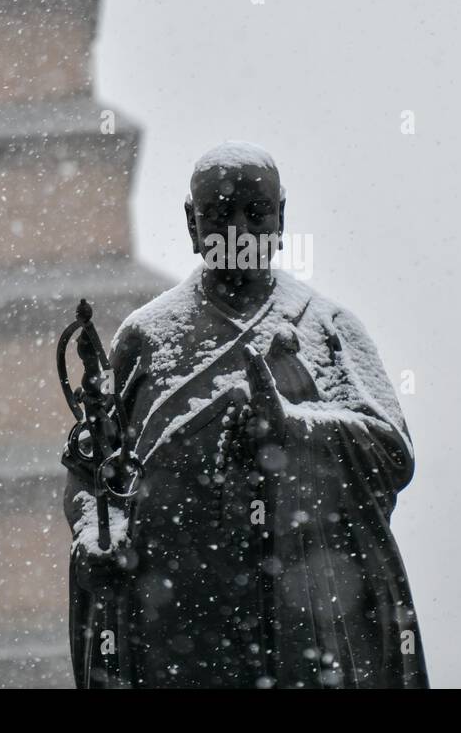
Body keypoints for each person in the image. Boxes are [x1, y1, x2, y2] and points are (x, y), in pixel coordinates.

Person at [65, 141, 428, 688]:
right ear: (191, 223)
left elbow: (391, 452)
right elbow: (92, 477)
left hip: (305, 611)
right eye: (219, 212)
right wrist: (97, 534)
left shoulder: (325, 327)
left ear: (281, 218)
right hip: (178, 617)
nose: (237, 228)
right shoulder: (146, 339)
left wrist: (297, 428)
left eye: (255, 212)